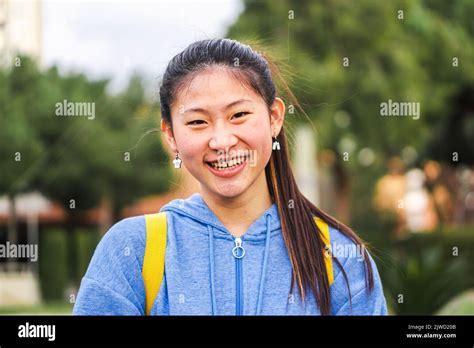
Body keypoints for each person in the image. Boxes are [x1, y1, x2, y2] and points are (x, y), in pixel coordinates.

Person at [73, 38, 387, 315]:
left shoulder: (340, 257)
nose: (222, 141)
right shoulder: (131, 249)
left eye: (238, 115)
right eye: (197, 122)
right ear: (170, 136)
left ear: (274, 117)